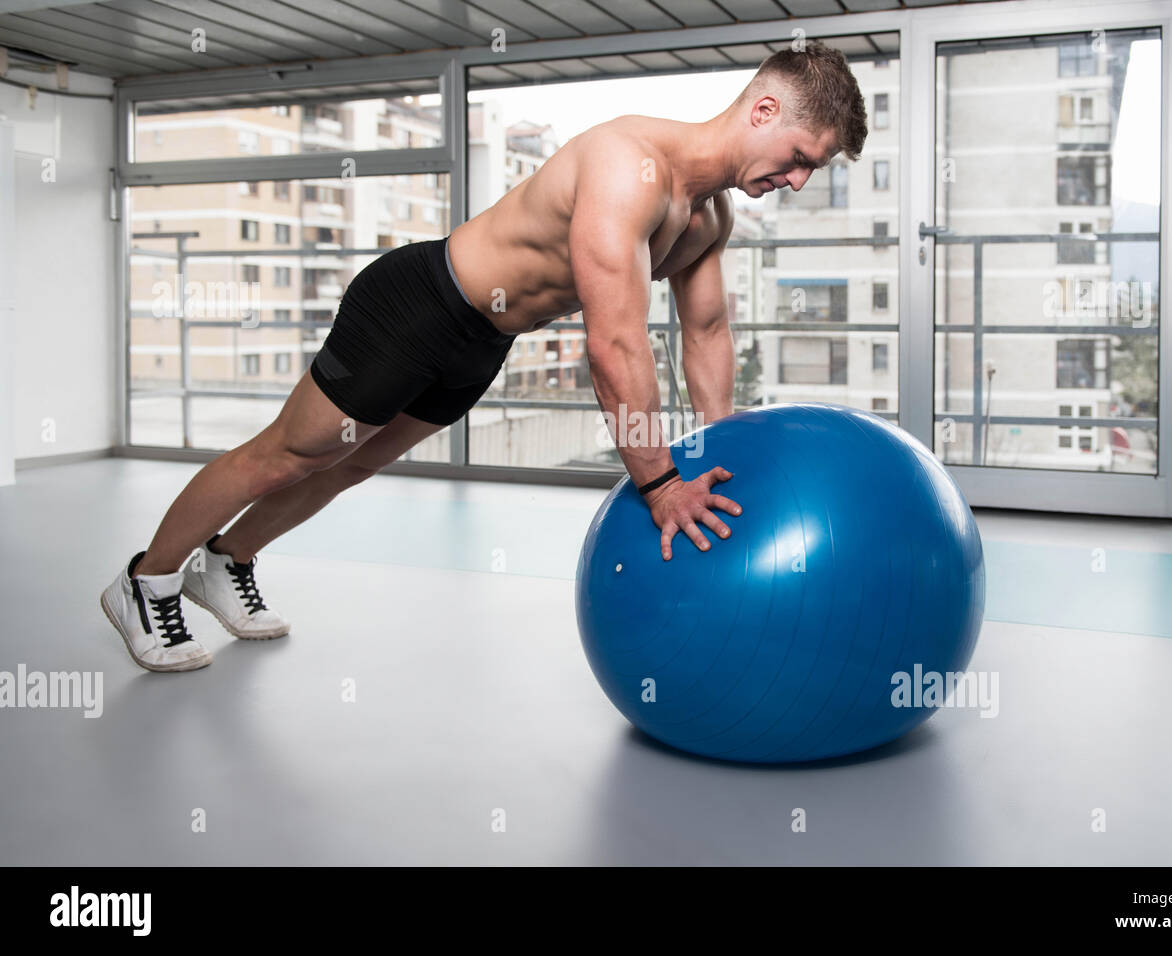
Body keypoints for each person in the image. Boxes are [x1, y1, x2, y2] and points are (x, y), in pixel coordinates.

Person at [100, 41, 868, 672]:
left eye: (814, 170)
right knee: (288, 456)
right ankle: (146, 579)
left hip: (484, 340)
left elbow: (706, 334)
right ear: (763, 110)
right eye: (801, 156)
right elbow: (615, 343)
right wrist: (663, 483)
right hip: (418, 304)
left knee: (355, 463)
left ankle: (227, 560)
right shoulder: (628, 166)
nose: (798, 181)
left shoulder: (708, 218)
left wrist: (718, 445)